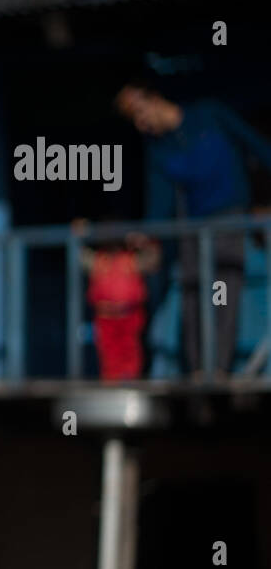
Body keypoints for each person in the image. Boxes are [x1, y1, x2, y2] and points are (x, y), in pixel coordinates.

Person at [115, 80, 271, 378]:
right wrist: (147, 234)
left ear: (155, 98)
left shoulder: (210, 114)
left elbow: (255, 145)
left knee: (221, 290)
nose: (140, 123)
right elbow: (159, 203)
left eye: (140, 112)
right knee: (192, 293)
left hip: (229, 217)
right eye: (133, 119)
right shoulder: (159, 149)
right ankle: (199, 369)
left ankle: (218, 368)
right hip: (191, 227)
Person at [73, 220, 161, 381]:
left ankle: (131, 382)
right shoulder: (98, 260)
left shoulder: (131, 259)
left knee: (131, 356)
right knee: (109, 358)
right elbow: (79, 256)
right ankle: (111, 385)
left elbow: (153, 260)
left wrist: (144, 241)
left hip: (130, 317)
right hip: (105, 319)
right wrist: (79, 236)